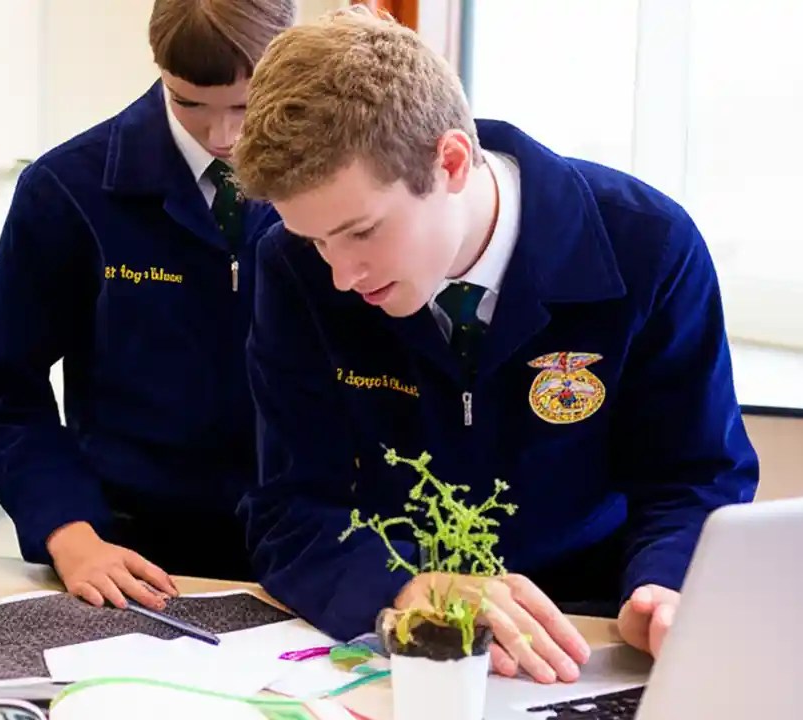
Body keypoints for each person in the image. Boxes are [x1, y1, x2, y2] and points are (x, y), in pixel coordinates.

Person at [231, 8, 758, 685]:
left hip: (591, 633)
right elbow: (289, 509)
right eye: (315, 240)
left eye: (362, 232)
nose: (340, 275)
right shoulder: (291, 267)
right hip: (407, 636)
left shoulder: (649, 246)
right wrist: (404, 587)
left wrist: (664, 587)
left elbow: (696, 478)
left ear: (450, 162)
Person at [0, 0, 296, 610]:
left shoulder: (333, 180)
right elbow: (3, 397)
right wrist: (69, 533)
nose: (222, 137)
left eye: (247, 107)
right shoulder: (67, 190)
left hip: (307, 551)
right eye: (188, 102)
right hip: (127, 556)